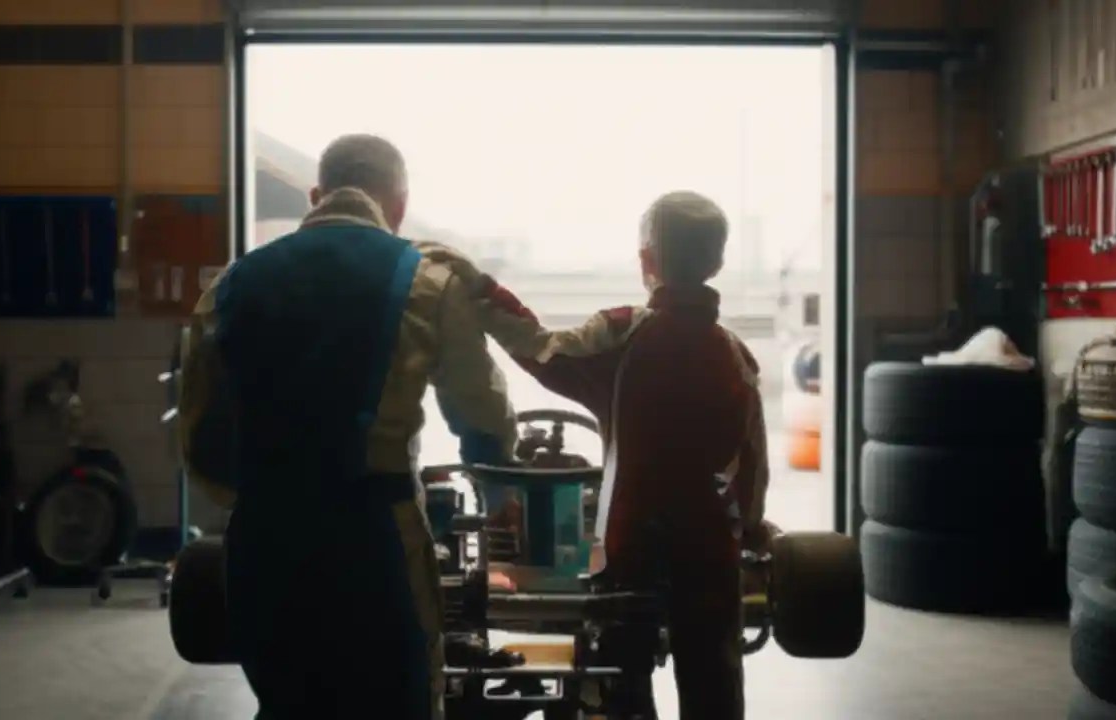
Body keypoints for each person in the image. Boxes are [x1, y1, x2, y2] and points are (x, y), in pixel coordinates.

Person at [177, 134, 518, 720]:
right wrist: (500, 497)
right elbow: (482, 417)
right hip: (374, 541)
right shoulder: (425, 281)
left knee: (288, 702)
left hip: (266, 541)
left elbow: (202, 438)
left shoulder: (229, 286)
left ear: (316, 196)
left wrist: (259, 494)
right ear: (399, 205)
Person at [445, 190, 772, 719]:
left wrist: (482, 291)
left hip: (631, 545)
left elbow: (539, 347)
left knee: (619, 679)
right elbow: (752, 464)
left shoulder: (623, 332)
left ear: (646, 260)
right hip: (711, 546)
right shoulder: (737, 354)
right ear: (717, 263)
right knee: (715, 685)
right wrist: (752, 531)